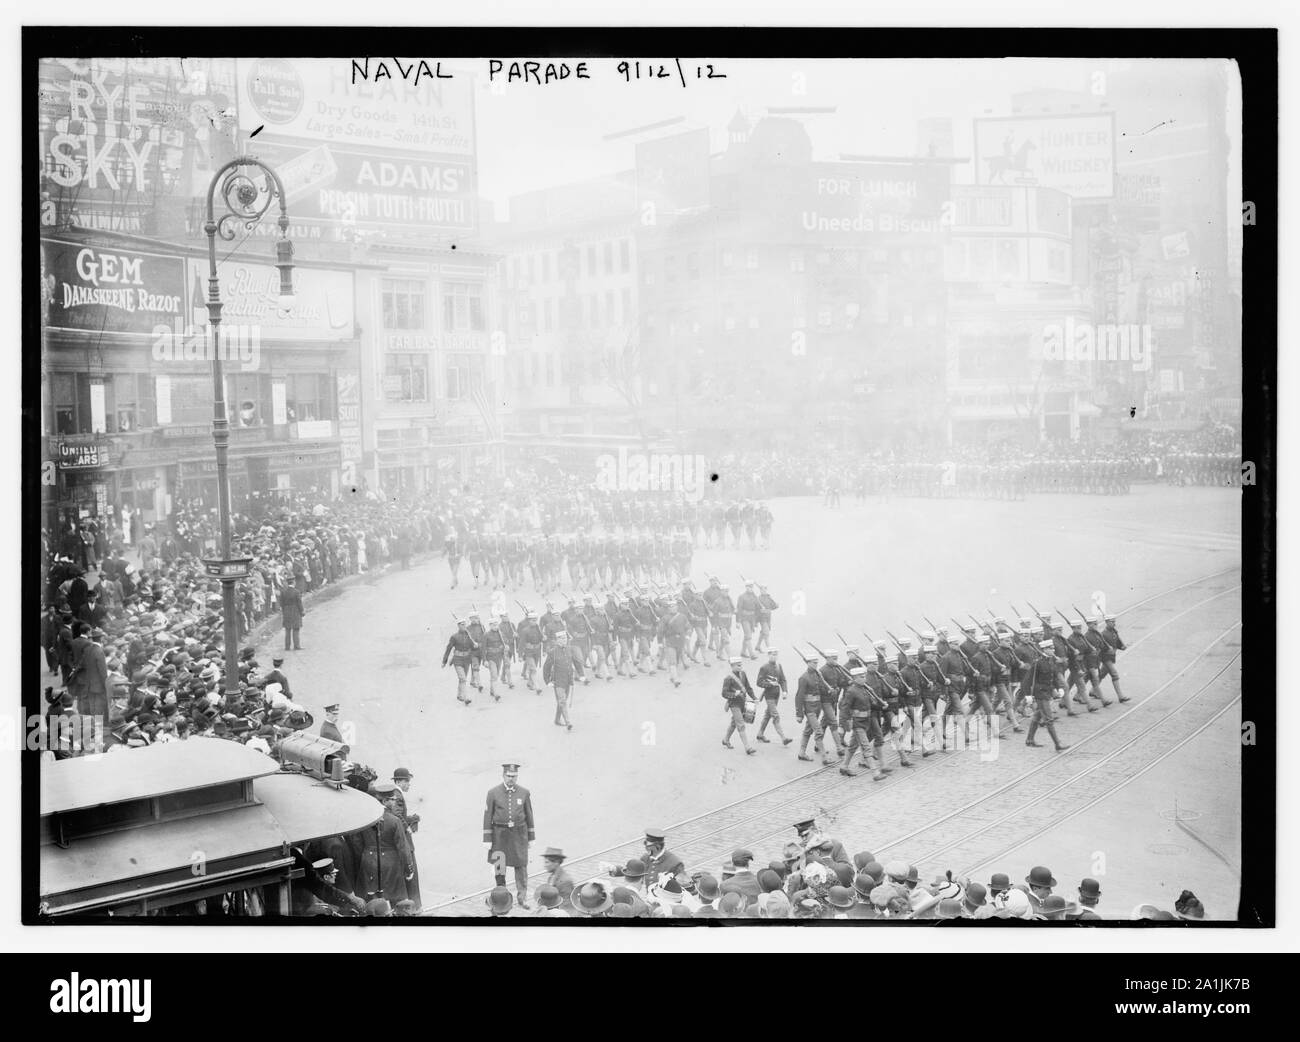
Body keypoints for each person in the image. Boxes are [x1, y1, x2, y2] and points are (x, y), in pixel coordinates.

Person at [483, 762, 535, 909]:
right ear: (503, 775)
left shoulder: (524, 793)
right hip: (500, 835)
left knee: (521, 867)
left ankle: (522, 898)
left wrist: (531, 837)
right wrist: (487, 839)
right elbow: (487, 817)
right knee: (499, 867)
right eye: (509, 776)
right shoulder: (493, 793)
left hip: (519, 835)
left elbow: (529, 815)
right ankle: (503, 896)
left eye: (514, 776)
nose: (511, 779)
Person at [359, 783, 415, 905]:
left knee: (373, 902)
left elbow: (357, 844)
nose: (395, 802)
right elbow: (403, 849)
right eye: (392, 800)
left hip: (368, 861)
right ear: (384, 801)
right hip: (391, 864)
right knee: (395, 901)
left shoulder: (364, 819)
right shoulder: (394, 821)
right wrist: (408, 869)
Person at [542, 631, 585, 731]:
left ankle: (557, 719)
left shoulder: (570, 650)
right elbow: (546, 667)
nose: (564, 640)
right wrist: (547, 681)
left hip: (568, 680)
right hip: (558, 680)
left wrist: (581, 674)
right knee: (562, 700)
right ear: (557, 640)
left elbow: (576, 662)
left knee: (561, 701)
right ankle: (568, 722)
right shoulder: (553, 652)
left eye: (565, 638)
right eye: (561, 639)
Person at [67, 621, 109, 723]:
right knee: (98, 708)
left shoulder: (88, 649)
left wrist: (74, 670)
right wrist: (106, 684)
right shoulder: (99, 651)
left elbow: (80, 662)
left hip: (88, 682)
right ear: (101, 638)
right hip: (98, 685)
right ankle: (98, 729)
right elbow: (103, 671)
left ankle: (89, 726)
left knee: (91, 706)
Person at [754, 649, 792, 746]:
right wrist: (769, 683)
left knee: (768, 715)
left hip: (776, 694)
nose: (774, 656)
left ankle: (760, 734)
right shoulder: (764, 667)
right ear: (768, 655)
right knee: (775, 715)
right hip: (769, 695)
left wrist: (784, 691)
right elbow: (759, 682)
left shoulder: (779, 666)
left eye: (776, 654)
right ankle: (783, 738)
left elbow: (783, 680)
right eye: (772, 654)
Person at [721, 656, 756, 754]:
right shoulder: (728, 678)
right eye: (738, 664)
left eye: (741, 664)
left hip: (742, 703)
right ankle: (747, 747)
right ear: (732, 666)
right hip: (734, 705)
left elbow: (748, 688)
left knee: (734, 723)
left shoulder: (743, 674)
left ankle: (726, 740)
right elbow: (724, 693)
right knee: (741, 724)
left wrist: (754, 697)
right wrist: (733, 694)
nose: (740, 666)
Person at [442, 618, 478, 705]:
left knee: (462, 679)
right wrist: (444, 661)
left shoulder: (469, 636)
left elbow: (472, 648)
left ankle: (459, 695)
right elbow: (449, 648)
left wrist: (475, 645)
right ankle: (466, 698)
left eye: (465, 624)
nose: (464, 626)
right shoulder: (454, 637)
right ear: (458, 626)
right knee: (463, 678)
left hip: (467, 660)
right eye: (462, 624)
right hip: (457, 660)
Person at [279, 576, 304, 651]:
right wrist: (302, 611)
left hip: (286, 611)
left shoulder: (283, 591)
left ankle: (287, 646)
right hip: (295, 611)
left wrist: (284, 611)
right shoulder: (296, 592)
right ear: (293, 582)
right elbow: (299, 603)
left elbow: (281, 603)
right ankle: (296, 646)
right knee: (296, 629)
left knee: (288, 629)